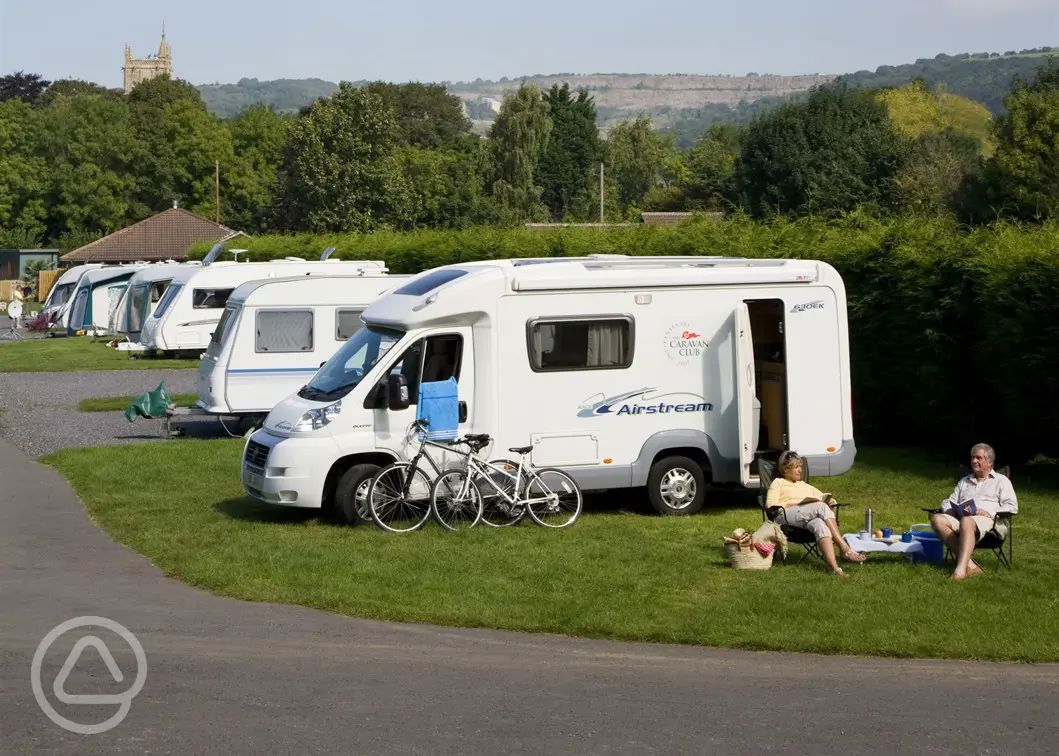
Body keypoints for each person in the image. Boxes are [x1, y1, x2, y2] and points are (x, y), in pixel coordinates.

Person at [766, 450, 866, 575]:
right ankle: (844, 548)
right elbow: (770, 505)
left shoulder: (804, 486)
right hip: (784, 517)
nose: (800, 470)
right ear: (786, 469)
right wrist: (791, 504)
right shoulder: (778, 483)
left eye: (801, 467)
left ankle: (835, 569)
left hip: (804, 518)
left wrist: (830, 500)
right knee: (820, 507)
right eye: (796, 467)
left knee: (820, 524)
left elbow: (825, 497)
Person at [930, 443, 1017, 581]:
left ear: (989, 462)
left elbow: (1012, 506)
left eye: (978, 458)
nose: (974, 461)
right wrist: (950, 509)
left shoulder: (1001, 481)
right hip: (963, 519)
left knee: (967, 521)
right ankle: (970, 565)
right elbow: (949, 501)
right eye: (972, 457)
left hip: (990, 523)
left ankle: (959, 571)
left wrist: (990, 512)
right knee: (937, 519)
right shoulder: (964, 481)